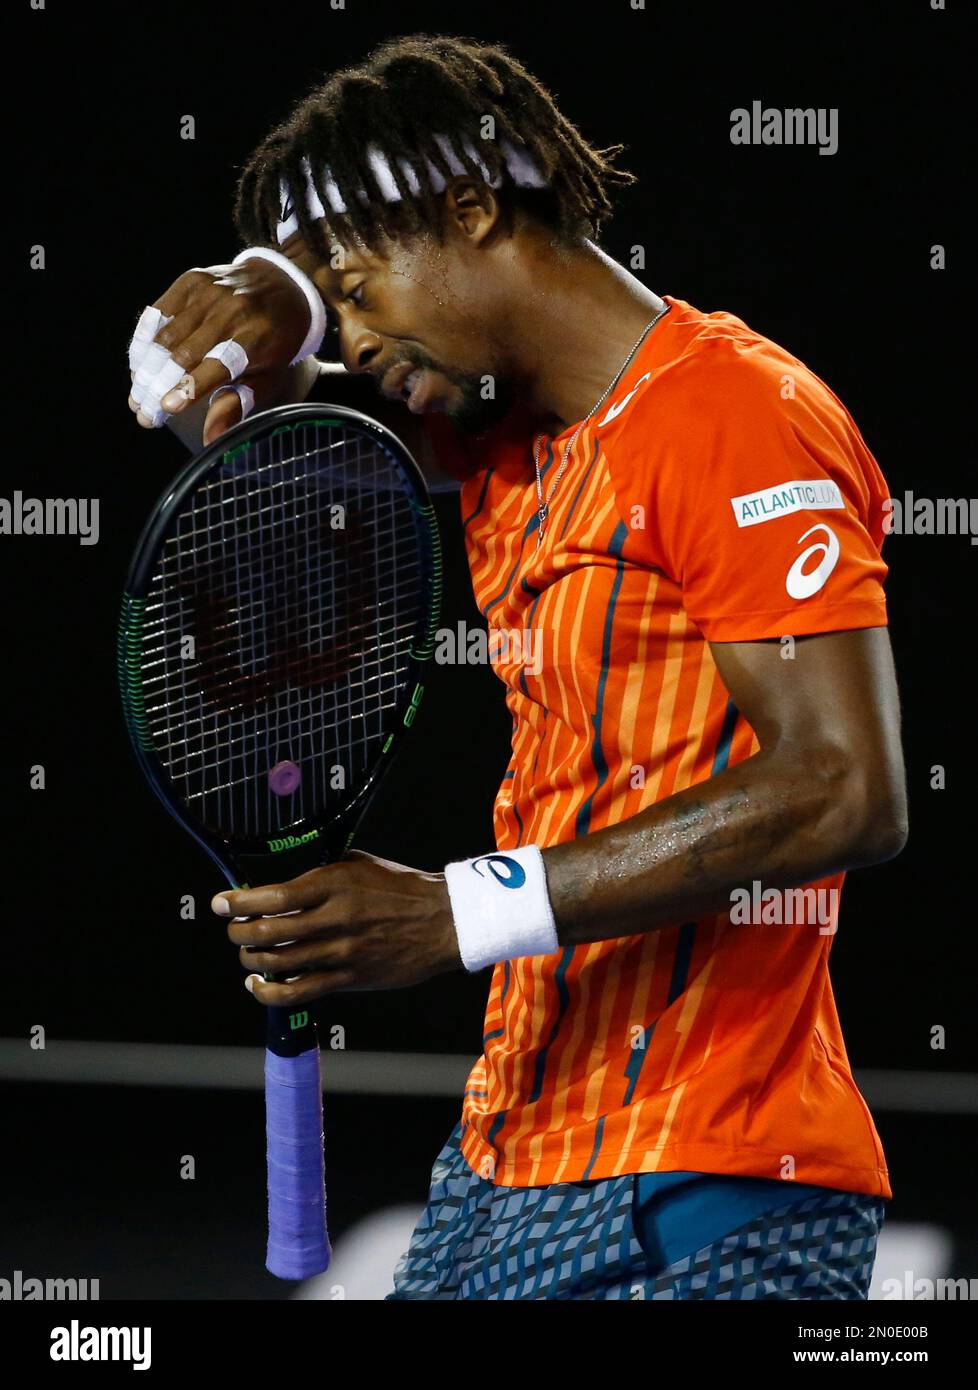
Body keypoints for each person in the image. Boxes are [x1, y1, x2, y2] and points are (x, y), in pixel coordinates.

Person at [127, 34, 907, 1300]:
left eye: (361, 288)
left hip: (709, 1190)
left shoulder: (736, 413)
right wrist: (279, 293)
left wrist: (455, 912)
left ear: (471, 208)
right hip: (505, 1166)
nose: (356, 340)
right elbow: (254, 434)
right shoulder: (505, 437)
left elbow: (847, 788)